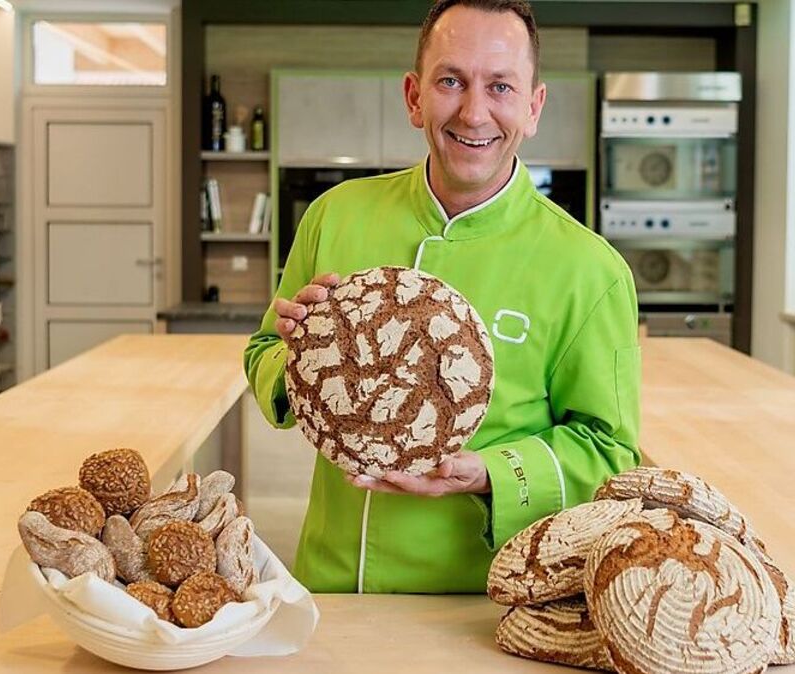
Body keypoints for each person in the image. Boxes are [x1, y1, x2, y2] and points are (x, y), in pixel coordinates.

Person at [243, 0, 641, 593]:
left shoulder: (588, 268)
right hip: (329, 585)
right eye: (450, 81)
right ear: (414, 96)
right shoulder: (334, 217)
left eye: (500, 86)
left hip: (484, 604)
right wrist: (298, 363)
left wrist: (485, 474)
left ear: (533, 107)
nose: (473, 112)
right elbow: (263, 350)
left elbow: (610, 456)